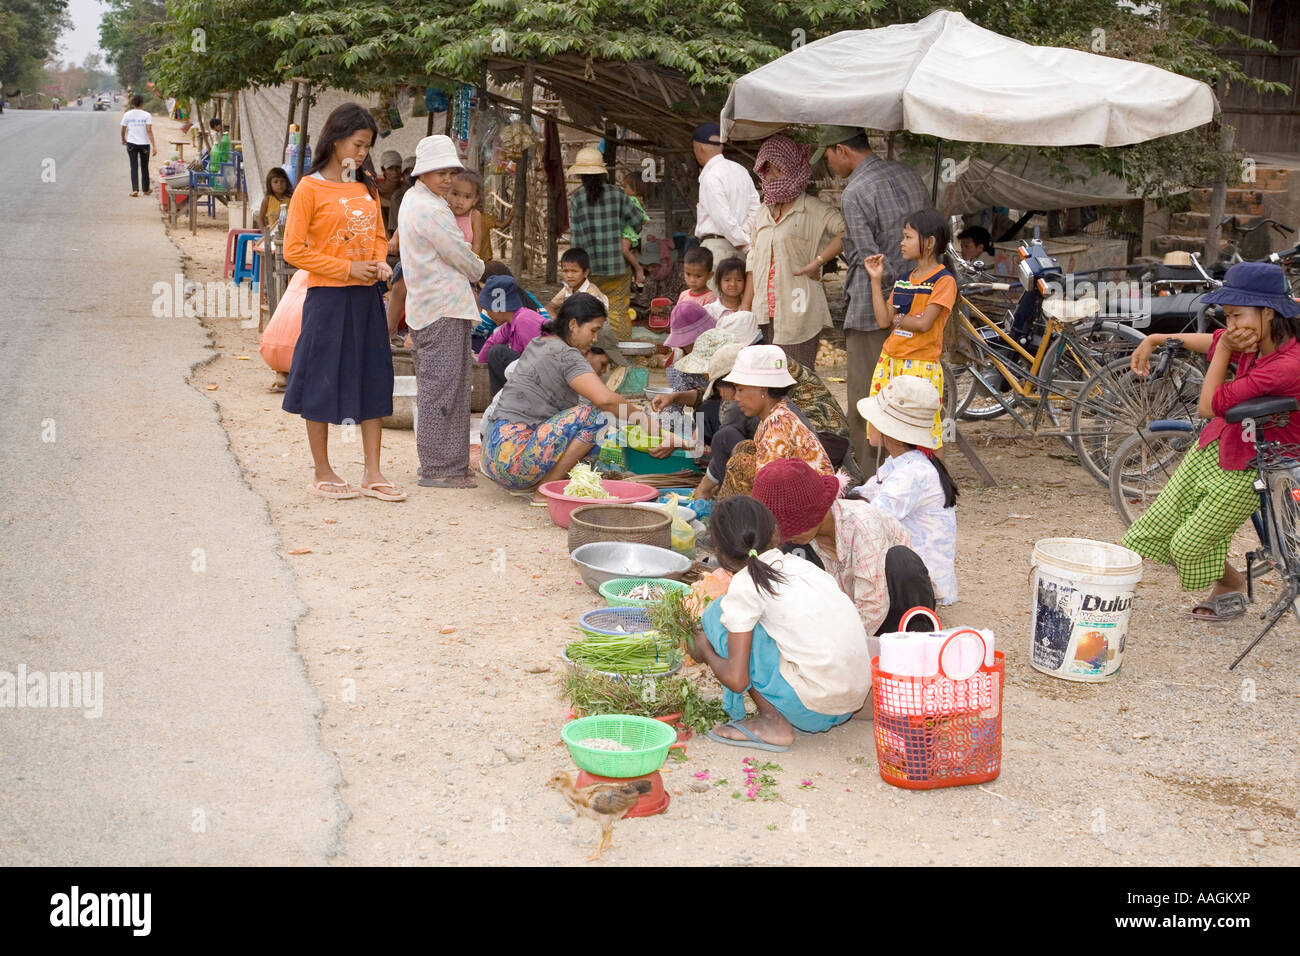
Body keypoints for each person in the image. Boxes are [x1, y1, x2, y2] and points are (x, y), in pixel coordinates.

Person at [1122, 262, 1300, 621]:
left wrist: (1222, 352)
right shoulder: (1257, 339)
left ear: (1268, 312)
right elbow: (1213, 340)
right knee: (1154, 529)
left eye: (1236, 315)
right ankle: (1229, 584)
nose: (1229, 325)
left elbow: (1207, 405)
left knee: (1187, 546)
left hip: (1254, 463)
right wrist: (1155, 339)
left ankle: (1232, 584)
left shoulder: (1285, 365)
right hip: (1216, 445)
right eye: (1227, 316)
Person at [281, 102, 402, 501]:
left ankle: (373, 472)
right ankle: (323, 469)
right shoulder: (309, 188)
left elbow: (380, 235)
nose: (362, 153)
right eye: (357, 144)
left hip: (366, 298)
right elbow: (293, 251)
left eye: (367, 146)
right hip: (327, 299)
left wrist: (380, 263)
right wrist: (347, 269)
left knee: (373, 376)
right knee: (321, 379)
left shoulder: (365, 186)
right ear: (335, 140)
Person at [692, 496, 871, 751]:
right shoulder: (805, 568)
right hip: (852, 703)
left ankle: (772, 721)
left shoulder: (745, 584)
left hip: (810, 710)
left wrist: (705, 650)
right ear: (776, 534)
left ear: (720, 554)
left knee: (716, 615)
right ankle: (785, 709)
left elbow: (737, 680)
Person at [815, 125, 931, 480]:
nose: (830, 166)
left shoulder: (856, 192)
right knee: (911, 395)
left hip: (874, 310)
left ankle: (869, 476)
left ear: (841, 150)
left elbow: (869, 259)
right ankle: (914, 470)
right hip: (923, 306)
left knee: (867, 400)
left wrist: (890, 306)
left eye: (829, 157)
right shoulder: (910, 176)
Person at [480, 294, 650, 499]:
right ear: (573, 325)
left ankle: (542, 484)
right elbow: (606, 400)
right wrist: (646, 422)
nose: (594, 338)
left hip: (492, 456)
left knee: (588, 430)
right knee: (596, 416)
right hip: (514, 462)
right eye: (593, 330)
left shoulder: (540, 342)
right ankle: (544, 491)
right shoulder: (567, 354)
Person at [752, 458, 936, 636]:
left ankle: (917, 641)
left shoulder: (863, 524)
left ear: (814, 512)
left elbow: (873, 605)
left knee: (902, 561)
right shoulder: (798, 546)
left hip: (892, 613)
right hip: (844, 622)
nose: (789, 537)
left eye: (792, 529)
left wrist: (842, 649)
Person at [398, 133, 487, 490]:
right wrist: (481, 270)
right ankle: (440, 467)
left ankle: (447, 464)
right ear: (424, 172)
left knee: (442, 386)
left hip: (431, 305)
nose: (447, 178)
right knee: (444, 389)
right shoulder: (432, 209)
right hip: (442, 307)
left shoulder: (413, 199)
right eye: (440, 172)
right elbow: (460, 254)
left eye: (450, 171)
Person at [744, 134, 845, 369]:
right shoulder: (763, 213)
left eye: (778, 170)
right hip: (763, 313)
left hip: (797, 312)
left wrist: (818, 261)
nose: (772, 177)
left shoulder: (812, 208)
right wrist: (745, 306)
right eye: (768, 171)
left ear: (793, 170)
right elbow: (753, 259)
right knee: (766, 384)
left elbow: (847, 233)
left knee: (796, 382)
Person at [854, 377, 959, 605]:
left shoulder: (912, 474)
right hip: (916, 574)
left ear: (887, 429)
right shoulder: (903, 463)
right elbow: (865, 491)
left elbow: (871, 519)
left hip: (918, 586)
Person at [863, 208, 958, 452]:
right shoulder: (905, 279)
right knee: (888, 433)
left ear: (929, 243)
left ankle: (935, 484)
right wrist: (875, 280)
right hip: (890, 362)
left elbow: (924, 324)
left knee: (924, 436)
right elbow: (884, 320)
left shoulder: (943, 281)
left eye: (907, 237)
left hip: (920, 365)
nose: (901, 243)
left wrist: (898, 319)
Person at [707, 345, 833, 501]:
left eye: (741, 390)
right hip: (800, 494)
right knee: (745, 448)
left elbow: (768, 490)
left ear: (763, 389)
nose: (736, 398)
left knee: (740, 463)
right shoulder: (774, 416)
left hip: (809, 504)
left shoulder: (777, 426)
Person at [567, 146, 645, 338]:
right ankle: (621, 356)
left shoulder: (577, 199)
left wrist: (576, 271)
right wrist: (627, 236)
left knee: (590, 311)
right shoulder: (618, 194)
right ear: (602, 173)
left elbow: (576, 241)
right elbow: (638, 220)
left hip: (590, 270)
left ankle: (596, 350)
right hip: (618, 266)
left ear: (581, 176)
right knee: (618, 311)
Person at [692, 122, 761, 293]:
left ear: (699, 147)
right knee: (736, 308)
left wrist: (743, 244)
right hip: (741, 248)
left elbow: (723, 219)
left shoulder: (710, 177)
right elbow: (756, 208)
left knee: (716, 309)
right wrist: (745, 237)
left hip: (717, 250)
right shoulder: (740, 170)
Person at [476, 275, 547, 396]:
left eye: (488, 310)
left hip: (545, 377)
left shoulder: (524, 320)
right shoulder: (510, 324)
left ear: (497, 308)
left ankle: (505, 402)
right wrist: (478, 366)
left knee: (497, 353)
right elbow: (491, 343)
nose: (488, 314)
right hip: (533, 375)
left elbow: (541, 359)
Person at [547, 248, 609, 313]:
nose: (569, 275)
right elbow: (550, 306)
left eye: (574, 271)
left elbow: (591, 322)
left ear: (586, 273)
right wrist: (557, 321)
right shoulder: (568, 288)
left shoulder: (592, 295)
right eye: (565, 271)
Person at [120, 94, 157, 197]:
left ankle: (135, 190)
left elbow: (123, 129)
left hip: (131, 143)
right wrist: (154, 146)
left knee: (134, 166)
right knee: (144, 166)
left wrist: (123, 139)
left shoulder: (127, 114)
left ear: (132, 103)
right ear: (142, 103)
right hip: (144, 144)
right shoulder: (147, 115)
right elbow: (149, 130)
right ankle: (145, 189)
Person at [619, 173, 648, 290]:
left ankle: (638, 268)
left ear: (634, 188)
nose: (624, 189)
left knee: (624, 250)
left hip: (628, 230)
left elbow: (641, 217)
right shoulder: (636, 200)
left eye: (626, 187)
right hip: (628, 229)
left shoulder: (631, 200)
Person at [707, 256, 748, 322]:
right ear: (719, 282)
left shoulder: (749, 309)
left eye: (739, 280)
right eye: (727, 280)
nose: (733, 284)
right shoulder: (710, 311)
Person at [376, 149, 404, 226]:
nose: (395, 172)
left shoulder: (406, 188)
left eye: (398, 167)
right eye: (390, 168)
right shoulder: (376, 189)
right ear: (383, 170)